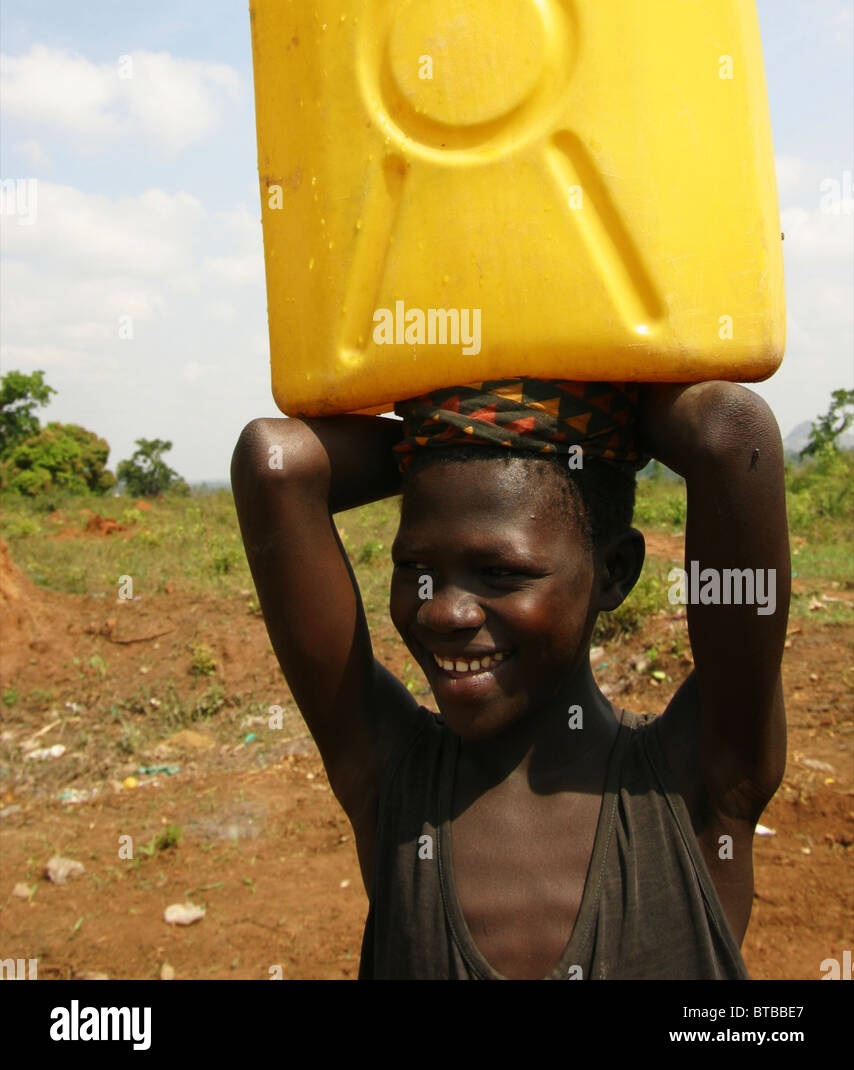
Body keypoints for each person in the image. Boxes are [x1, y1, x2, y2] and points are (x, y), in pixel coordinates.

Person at [230, 377, 789, 980]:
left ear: (614, 571)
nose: (443, 611)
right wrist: (466, 428)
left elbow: (729, 434)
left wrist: (566, 417)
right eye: (416, 568)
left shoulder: (699, 783)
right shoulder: (392, 776)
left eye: (499, 572)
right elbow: (274, 463)